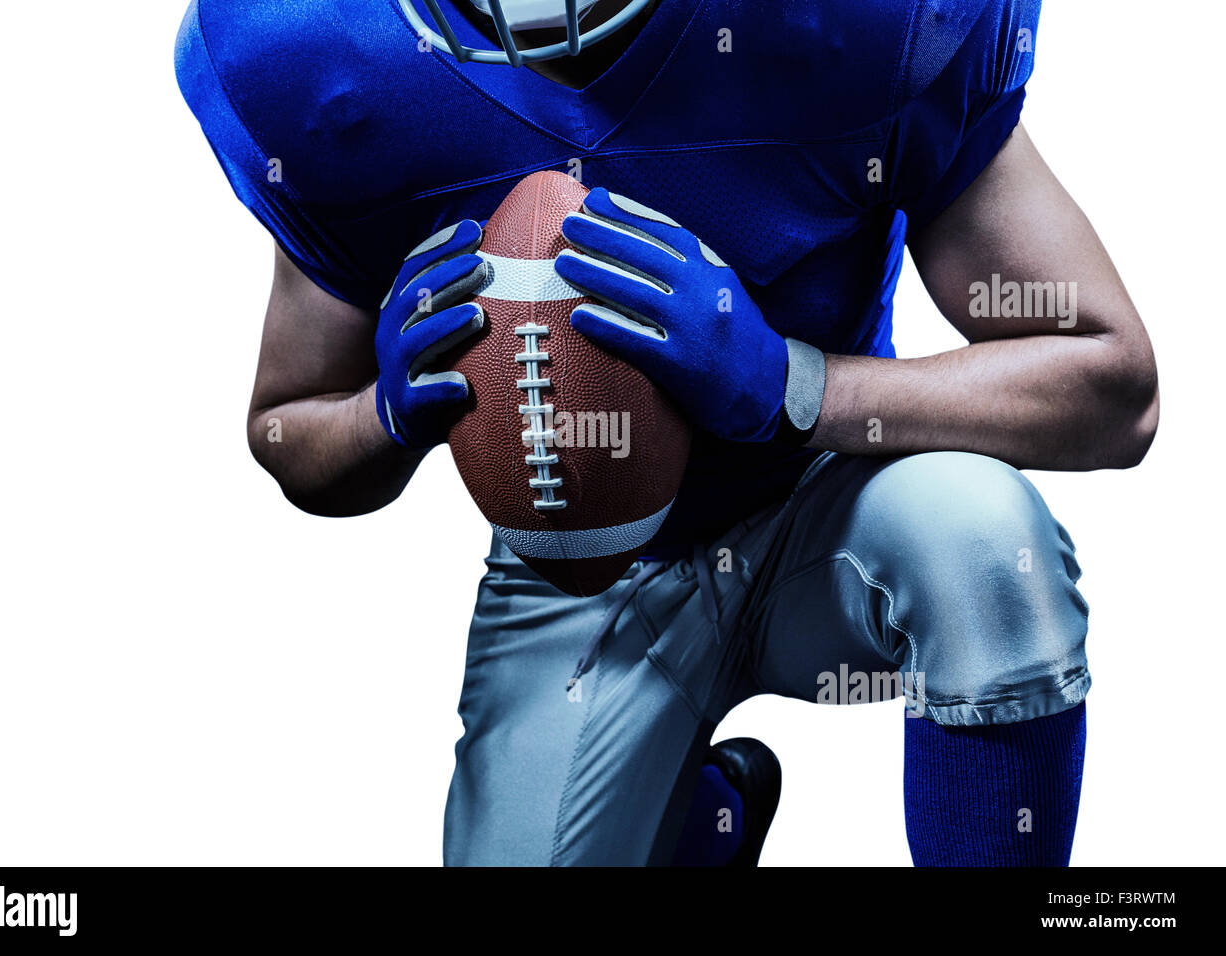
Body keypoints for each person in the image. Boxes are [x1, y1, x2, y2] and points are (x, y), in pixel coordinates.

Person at [175, 0, 1159, 865]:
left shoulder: (860, 20)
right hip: (575, 568)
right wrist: (379, 417)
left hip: (832, 503)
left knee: (984, 542)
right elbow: (283, 428)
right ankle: (695, 824)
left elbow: (1112, 382)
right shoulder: (312, 49)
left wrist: (794, 383)